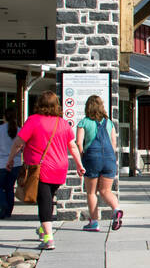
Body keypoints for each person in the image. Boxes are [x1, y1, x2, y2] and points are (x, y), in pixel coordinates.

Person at [7, 91, 84, 250]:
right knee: (48, 198)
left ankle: (49, 238)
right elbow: (73, 146)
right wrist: (79, 164)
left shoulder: (34, 121)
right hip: (60, 167)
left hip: (40, 168)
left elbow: (18, 143)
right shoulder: (62, 123)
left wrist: (10, 159)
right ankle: (43, 229)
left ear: (39, 104)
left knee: (44, 201)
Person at [76, 94, 122, 231]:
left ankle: (94, 222)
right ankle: (116, 210)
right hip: (109, 158)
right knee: (105, 190)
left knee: (91, 192)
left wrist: (83, 155)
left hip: (92, 158)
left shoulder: (84, 122)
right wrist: (109, 156)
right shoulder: (109, 122)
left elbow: (79, 142)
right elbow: (114, 143)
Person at [0, 105, 22, 220]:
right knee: (10, 187)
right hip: (16, 163)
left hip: (0, 163)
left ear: (4, 117)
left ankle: (3, 205)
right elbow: (23, 147)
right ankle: (9, 211)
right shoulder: (20, 130)